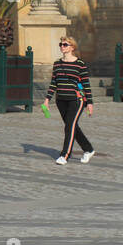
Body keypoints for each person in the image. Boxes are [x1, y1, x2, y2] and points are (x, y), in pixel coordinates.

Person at [43, 35, 95, 165]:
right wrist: (47, 99)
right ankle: (88, 149)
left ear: (72, 47)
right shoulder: (57, 63)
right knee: (71, 126)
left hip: (76, 100)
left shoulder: (80, 64)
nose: (62, 47)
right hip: (61, 100)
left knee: (69, 127)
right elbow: (54, 82)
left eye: (65, 44)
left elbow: (86, 84)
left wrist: (90, 103)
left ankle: (65, 155)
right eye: (61, 44)